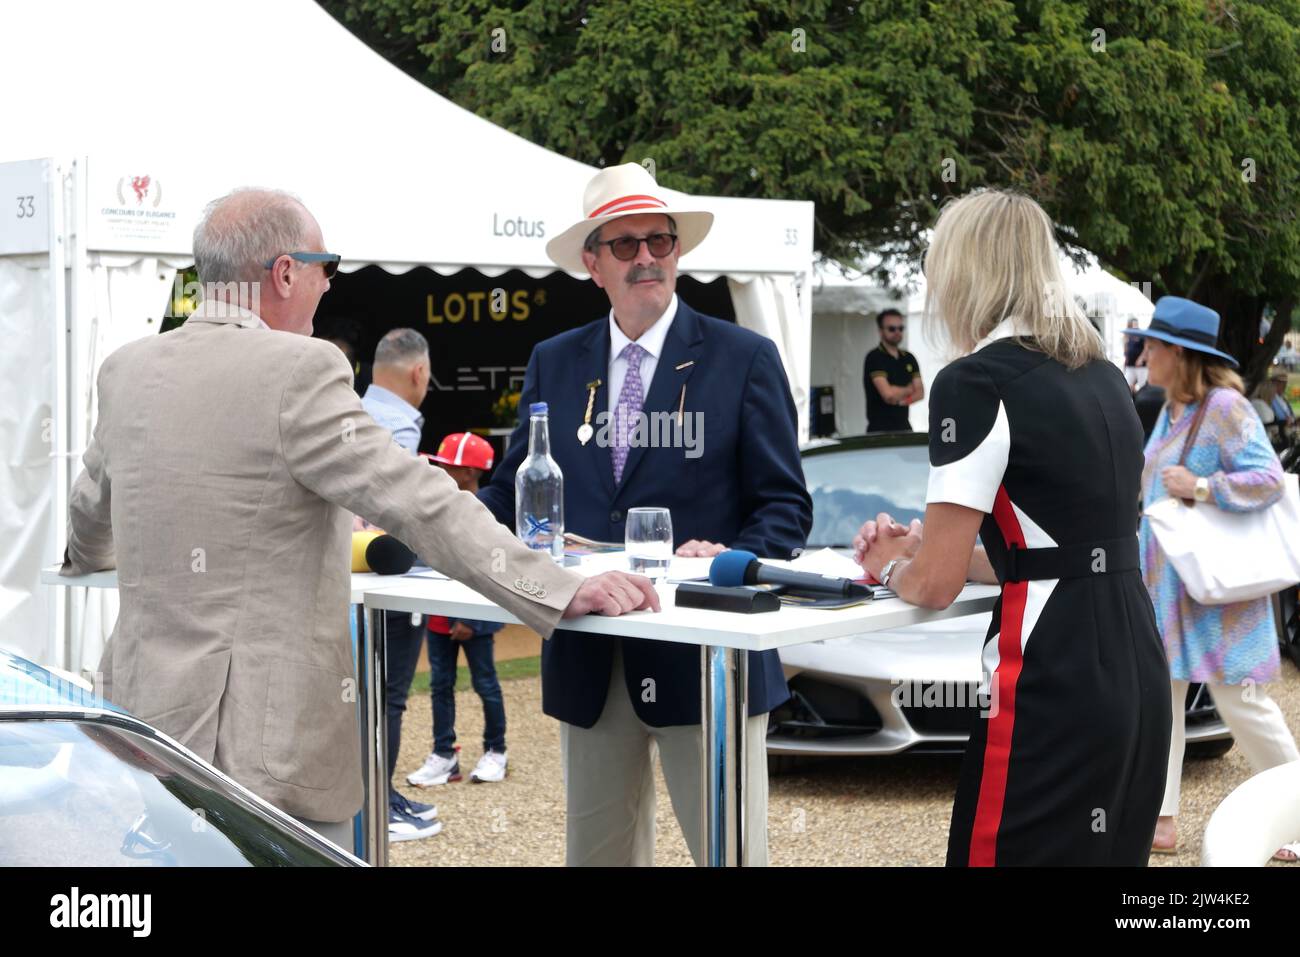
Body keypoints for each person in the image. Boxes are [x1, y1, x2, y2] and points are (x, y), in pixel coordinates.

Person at [61, 188, 659, 850]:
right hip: (268, 754)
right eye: (328, 267)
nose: (328, 288)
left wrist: (93, 558)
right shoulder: (300, 369)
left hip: (148, 728)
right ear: (286, 272)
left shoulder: (127, 369)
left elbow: (90, 515)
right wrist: (556, 585)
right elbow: (416, 499)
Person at [478, 163, 812, 866]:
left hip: (708, 659)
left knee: (731, 856)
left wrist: (724, 561)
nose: (646, 259)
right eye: (625, 246)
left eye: (659, 241)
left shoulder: (744, 357)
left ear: (677, 252)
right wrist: (436, 519)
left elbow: (785, 508)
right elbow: (510, 492)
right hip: (590, 657)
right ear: (592, 262)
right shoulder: (554, 361)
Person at [853, 189, 1170, 866]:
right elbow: (1046, 550)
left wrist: (890, 562)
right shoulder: (1104, 377)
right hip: (1134, 659)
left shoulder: (974, 383)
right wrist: (927, 547)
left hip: (1049, 676)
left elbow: (933, 585)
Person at [1124, 299, 1299, 862]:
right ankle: (1162, 819)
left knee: (1244, 704)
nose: (1143, 352)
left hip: (1219, 589)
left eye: (1153, 344)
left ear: (1179, 353)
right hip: (1167, 586)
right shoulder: (1172, 407)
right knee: (1161, 703)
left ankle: (1294, 811)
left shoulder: (1224, 406)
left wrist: (1199, 488)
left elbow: (1268, 479)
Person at [358, 327, 442, 841]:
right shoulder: (399, 427)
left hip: (352, 575)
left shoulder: (353, 411)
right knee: (389, 696)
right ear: (419, 373)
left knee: (369, 695)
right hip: (388, 574)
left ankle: (379, 796)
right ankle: (377, 807)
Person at [407, 434, 510, 786]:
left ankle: (496, 751)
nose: (439, 469)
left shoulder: (486, 507)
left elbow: (487, 568)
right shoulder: (442, 502)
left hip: (473, 618)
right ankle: (444, 755)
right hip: (438, 617)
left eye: (446, 465)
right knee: (440, 685)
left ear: (466, 472)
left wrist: (468, 617)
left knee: (486, 684)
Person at [863, 308, 923, 432]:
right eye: (891, 329)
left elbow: (920, 393)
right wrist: (909, 389)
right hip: (879, 431)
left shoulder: (909, 358)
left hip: (904, 428)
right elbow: (889, 395)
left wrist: (903, 400)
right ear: (880, 331)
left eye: (900, 328)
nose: (897, 332)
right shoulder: (874, 357)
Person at [1123, 317, 1148, 392]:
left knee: (1142, 386)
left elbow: (1146, 348)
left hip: (1140, 366)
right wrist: (1125, 362)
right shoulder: (1127, 335)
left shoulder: (1141, 335)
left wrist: (1141, 358)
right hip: (1130, 365)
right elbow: (1126, 351)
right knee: (1127, 385)